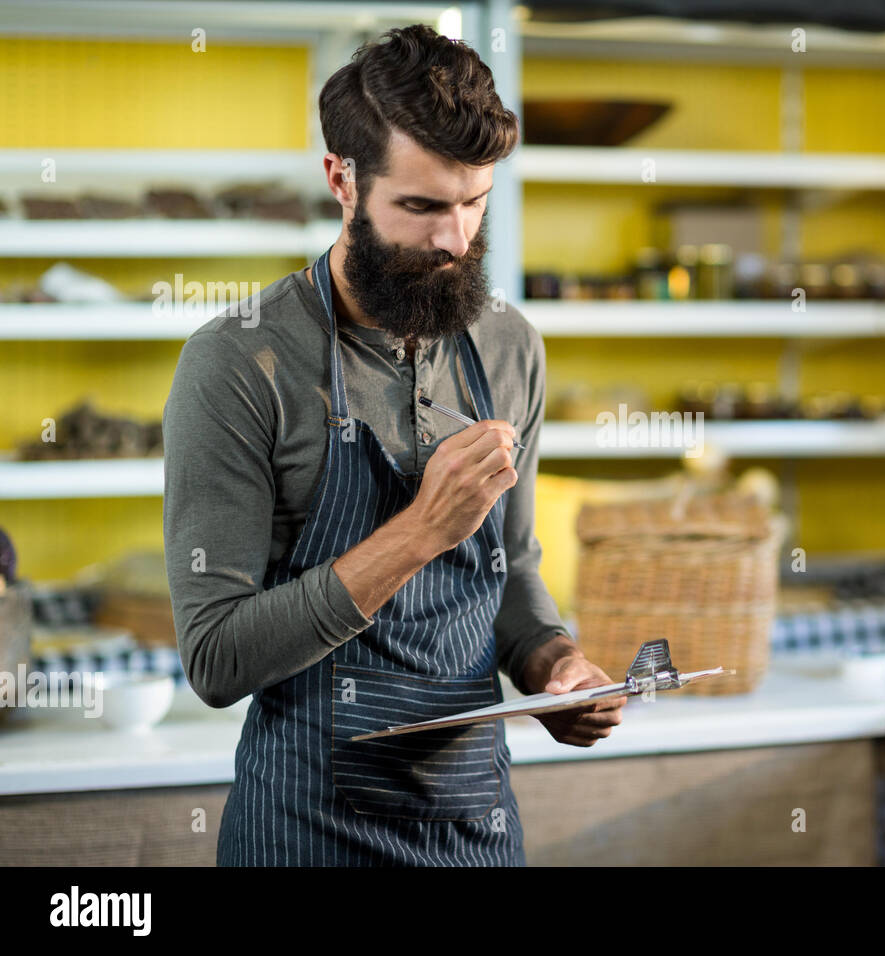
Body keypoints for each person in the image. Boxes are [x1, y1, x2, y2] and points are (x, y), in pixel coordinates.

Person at [162, 24, 625, 866]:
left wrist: (556, 666)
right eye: (421, 207)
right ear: (341, 180)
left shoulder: (510, 346)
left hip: (475, 827)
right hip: (305, 833)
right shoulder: (240, 361)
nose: (455, 240)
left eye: (475, 201)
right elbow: (218, 657)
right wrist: (419, 532)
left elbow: (510, 571)